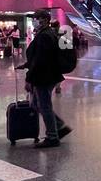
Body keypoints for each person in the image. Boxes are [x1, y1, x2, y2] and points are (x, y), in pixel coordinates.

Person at [24, 10, 71, 149]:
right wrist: (27, 65)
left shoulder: (45, 35)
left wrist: (29, 78)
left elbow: (41, 60)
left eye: (36, 18)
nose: (34, 21)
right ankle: (59, 127)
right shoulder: (47, 33)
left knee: (44, 106)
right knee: (37, 104)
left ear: (44, 19)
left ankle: (52, 136)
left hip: (44, 76)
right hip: (48, 74)